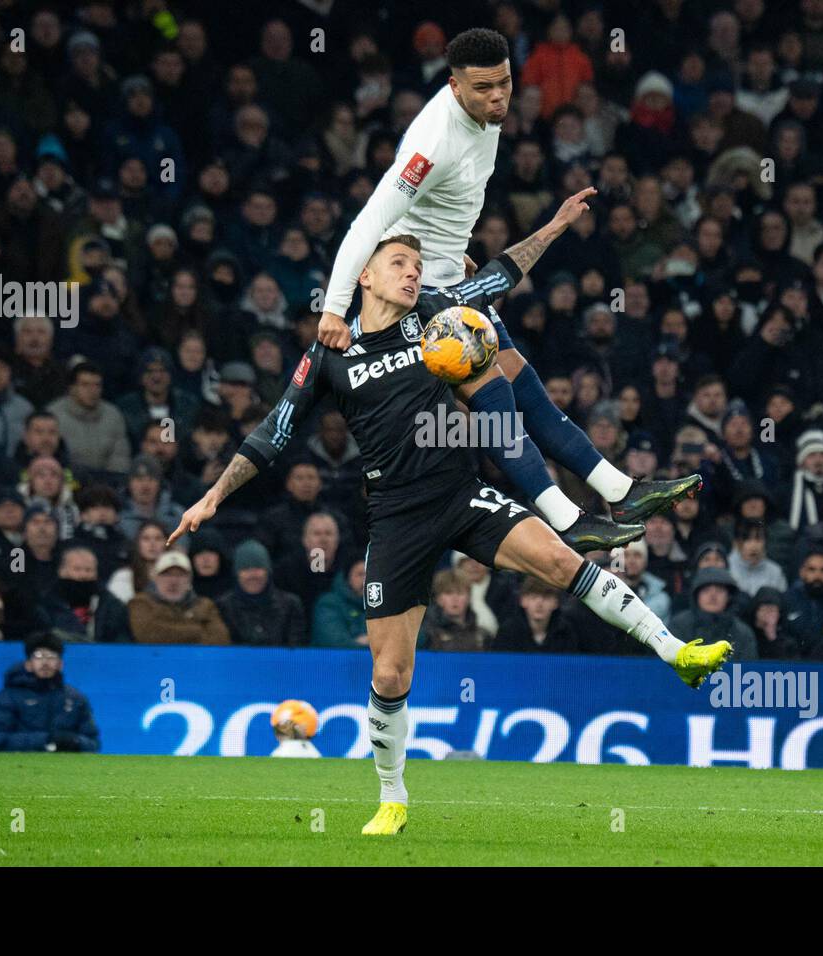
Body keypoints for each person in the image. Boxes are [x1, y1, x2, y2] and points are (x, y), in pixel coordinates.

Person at [168, 201, 731, 836]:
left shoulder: (434, 314)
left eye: (415, 263)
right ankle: (392, 795)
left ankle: (677, 650)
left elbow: (497, 276)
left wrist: (551, 228)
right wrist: (214, 495)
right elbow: (276, 430)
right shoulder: (332, 349)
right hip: (396, 518)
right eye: (398, 264)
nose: (412, 273)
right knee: (389, 672)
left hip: (460, 493)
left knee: (561, 560)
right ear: (365, 277)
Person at [315, 28, 698, 552]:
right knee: (494, 397)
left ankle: (620, 490)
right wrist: (334, 310)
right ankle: (565, 518)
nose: (498, 97)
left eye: (505, 83)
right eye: (483, 89)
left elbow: (452, 201)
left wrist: (455, 248)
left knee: (524, 382)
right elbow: (368, 224)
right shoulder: (431, 143)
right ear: (454, 87)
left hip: (453, 275)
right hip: (418, 289)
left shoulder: (487, 115)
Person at [0, 632, 101, 753]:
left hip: (64, 768)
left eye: (51, 656)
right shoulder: (8, 697)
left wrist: (75, 741)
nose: (45, 662)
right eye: (38, 656)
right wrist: (45, 740)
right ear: (28, 664)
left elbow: (93, 744)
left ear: (60, 664)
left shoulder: (76, 699)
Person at [127, 551, 230, 645]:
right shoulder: (141, 603)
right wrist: (197, 630)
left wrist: (168, 627)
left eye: (180, 575)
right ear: (155, 578)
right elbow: (148, 634)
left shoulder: (205, 605)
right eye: (167, 574)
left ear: (189, 579)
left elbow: (221, 639)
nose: (173, 581)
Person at [215, 540, 306, 646]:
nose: (253, 575)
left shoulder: (290, 605)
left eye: (258, 568)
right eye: (246, 569)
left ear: (268, 571)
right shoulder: (222, 607)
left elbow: (297, 649)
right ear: (237, 574)